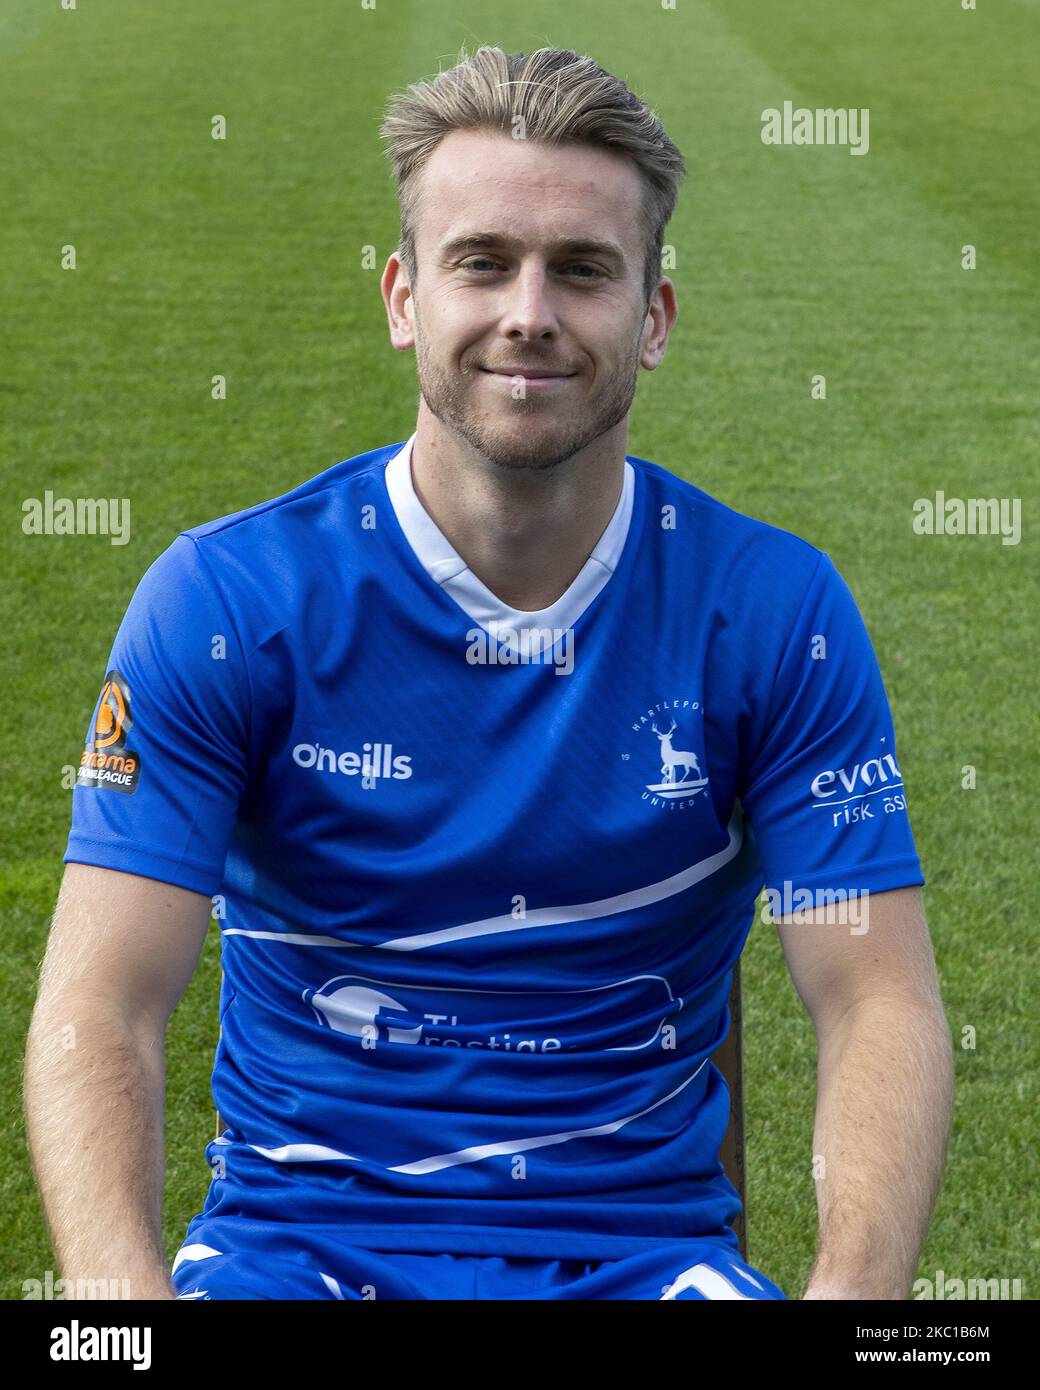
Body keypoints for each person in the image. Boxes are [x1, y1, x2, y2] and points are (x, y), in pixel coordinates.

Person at [25, 45, 953, 1301]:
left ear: (653, 316)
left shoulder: (773, 613)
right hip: (294, 1254)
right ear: (405, 296)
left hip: (640, 1260)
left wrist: (855, 1306)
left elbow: (875, 1000)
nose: (529, 312)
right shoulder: (226, 605)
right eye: (482, 261)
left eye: (581, 270)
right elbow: (103, 1006)